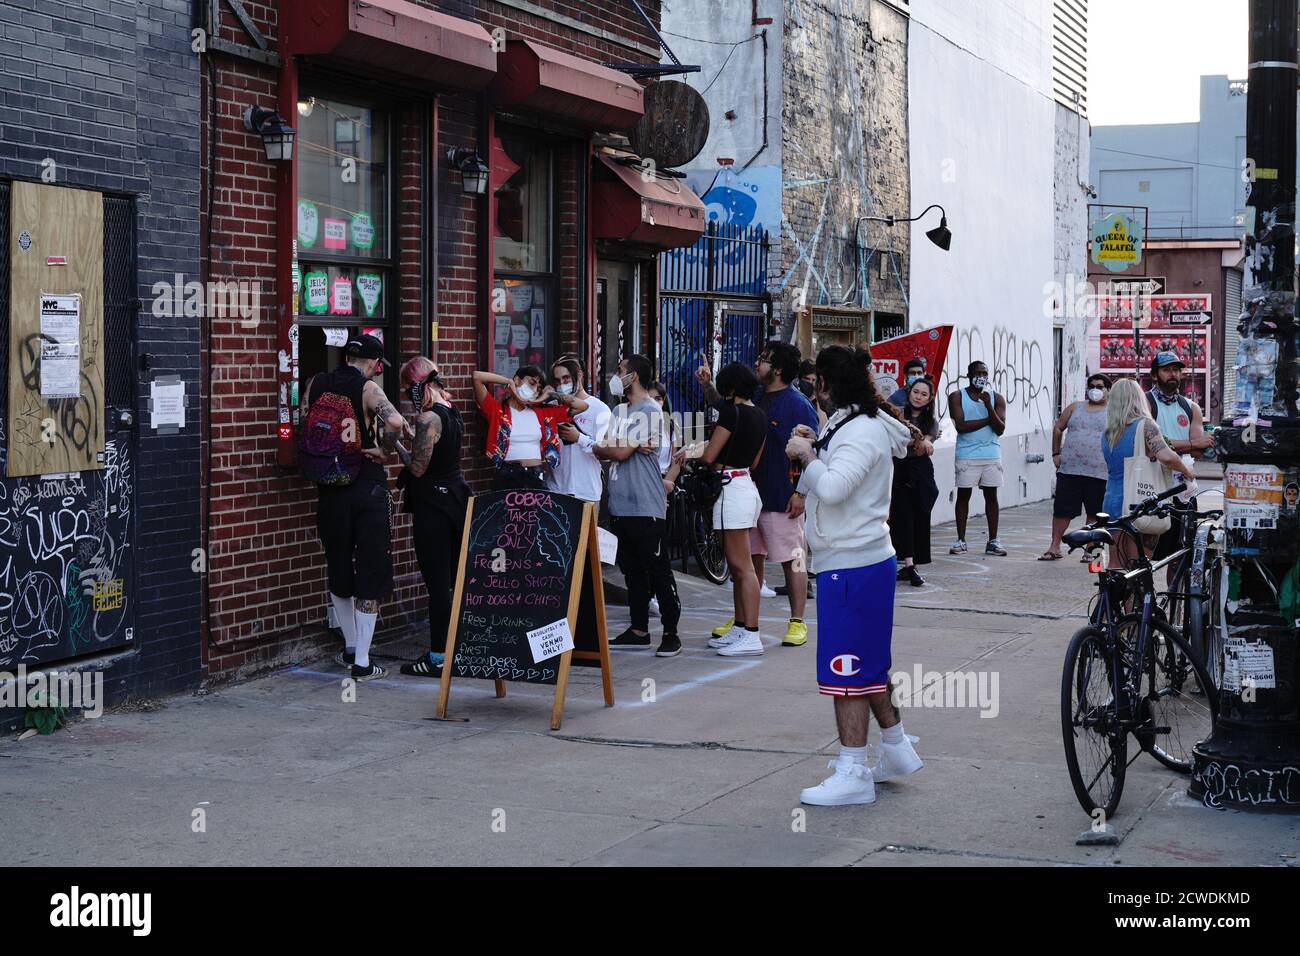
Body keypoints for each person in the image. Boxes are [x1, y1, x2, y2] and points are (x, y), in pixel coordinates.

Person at [785, 345, 922, 806]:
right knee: (869, 667)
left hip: (853, 565)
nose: (810, 387)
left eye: (814, 379)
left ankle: (852, 772)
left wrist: (808, 454)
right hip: (857, 562)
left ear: (826, 383)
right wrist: (814, 447)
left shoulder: (861, 431)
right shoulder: (848, 423)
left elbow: (835, 487)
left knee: (847, 674)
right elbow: (823, 481)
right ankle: (897, 747)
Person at [301, 334, 411, 682]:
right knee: (371, 567)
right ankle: (362, 661)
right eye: (380, 366)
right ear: (376, 364)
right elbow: (394, 423)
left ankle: (349, 646)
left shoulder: (316, 383)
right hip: (366, 485)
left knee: (338, 562)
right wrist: (387, 450)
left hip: (330, 485)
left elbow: (305, 419)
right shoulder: (369, 390)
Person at [698, 342, 818, 646]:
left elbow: (814, 453)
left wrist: (801, 493)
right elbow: (730, 411)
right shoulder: (756, 396)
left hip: (782, 494)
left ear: (777, 369)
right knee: (750, 559)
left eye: (763, 360)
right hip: (750, 490)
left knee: (793, 558)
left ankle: (797, 621)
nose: (757, 363)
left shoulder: (798, 405)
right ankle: (744, 619)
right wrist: (709, 386)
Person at [387, 357, 471, 678]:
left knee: (437, 586)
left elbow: (418, 467)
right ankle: (459, 649)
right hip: (456, 502)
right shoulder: (451, 410)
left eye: (409, 387)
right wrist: (413, 436)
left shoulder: (427, 419)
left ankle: (438, 657)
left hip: (432, 509)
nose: (408, 393)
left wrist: (396, 442)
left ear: (419, 385)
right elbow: (438, 452)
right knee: (453, 580)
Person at [594, 355, 682, 657]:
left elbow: (616, 451)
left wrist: (602, 444)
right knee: (631, 570)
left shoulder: (650, 410)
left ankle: (671, 632)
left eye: (620, 371)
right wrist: (612, 445)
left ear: (634, 376)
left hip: (646, 502)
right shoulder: (620, 410)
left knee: (657, 569)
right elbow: (611, 446)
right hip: (620, 503)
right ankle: (638, 628)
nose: (616, 375)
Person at [698, 362, 767, 656]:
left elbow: (710, 454)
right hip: (747, 486)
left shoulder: (731, 412)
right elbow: (754, 462)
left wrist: (691, 451)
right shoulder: (761, 414)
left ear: (732, 388)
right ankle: (741, 627)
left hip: (731, 490)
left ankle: (751, 633)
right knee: (740, 568)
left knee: (741, 567)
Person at [1101, 378, 1197, 570]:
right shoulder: (1146, 425)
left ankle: (1110, 599)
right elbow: (1167, 457)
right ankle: (1133, 601)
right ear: (1138, 399)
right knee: (1139, 566)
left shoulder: (1108, 432)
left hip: (1112, 500)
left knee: (1116, 563)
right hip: (1139, 501)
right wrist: (1186, 470)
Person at [1145, 352, 1213, 578]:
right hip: (1153, 484)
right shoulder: (1146, 403)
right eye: (1166, 370)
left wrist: (1172, 444)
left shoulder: (1190, 406)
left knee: (1180, 552)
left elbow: (1199, 449)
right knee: (1146, 550)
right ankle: (1144, 602)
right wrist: (1188, 443)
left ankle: (1173, 602)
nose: (1172, 374)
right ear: (1155, 375)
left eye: (1176, 369)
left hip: (1183, 488)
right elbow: (1152, 445)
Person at [472, 365, 587, 491]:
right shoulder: (498, 410)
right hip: (508, 474)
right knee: (505, 510)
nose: (535, 390)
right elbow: (477, 377)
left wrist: (550, 394)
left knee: (539, 510)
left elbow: (581, 406)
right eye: (532, 383)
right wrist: (509, 382)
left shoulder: (544, 413)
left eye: (539, 388)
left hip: (536, 474)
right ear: (517, 380)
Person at [1041, 373, 1111, 561]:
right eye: (1092, 386)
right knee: (1062, 510)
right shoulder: (1075, 407)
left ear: (1108, 391)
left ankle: (1090, 549)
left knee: (1094, 512)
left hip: (1099, 472)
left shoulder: (1113, 411)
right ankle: (1054, 547)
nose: (1095, 390)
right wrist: (1055, 453)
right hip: (1070, 470)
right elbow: (1058, 428)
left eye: (1100, 386)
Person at [948, 361, 1008, 557]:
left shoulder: (996, 398)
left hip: (991, 454)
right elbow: (961, 426)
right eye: (977, 372)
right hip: (967, 455)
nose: (981, 376)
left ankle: (993, 540)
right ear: (969, 374)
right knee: (963, 496)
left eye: (985, 373)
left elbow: (999, 429)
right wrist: (988, 421)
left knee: (991, 497)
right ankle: (960, 540)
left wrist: (989, 408)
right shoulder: (957, 396)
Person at [890, 376, 940, 586]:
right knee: (903, 517)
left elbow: (925, 445)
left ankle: (912, 563)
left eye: (923, 394)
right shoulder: (897, 415)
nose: (918, 397)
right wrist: (915, 441)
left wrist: (917, 441)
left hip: (921, 473)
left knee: (920, 516)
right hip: (900, 470)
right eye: (915, 392)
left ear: (929, 399)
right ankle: (909, 565)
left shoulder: (932, 422)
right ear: (908, 392)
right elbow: (896, 441)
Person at [545, 355, 611, 504]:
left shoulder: (599, 409)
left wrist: (579, 438)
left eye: (566, 378)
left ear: (579, 375)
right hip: (555, 488)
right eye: (557, 380)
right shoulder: (552, 406)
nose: (562, 384)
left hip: (586, 491)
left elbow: (605, 451)